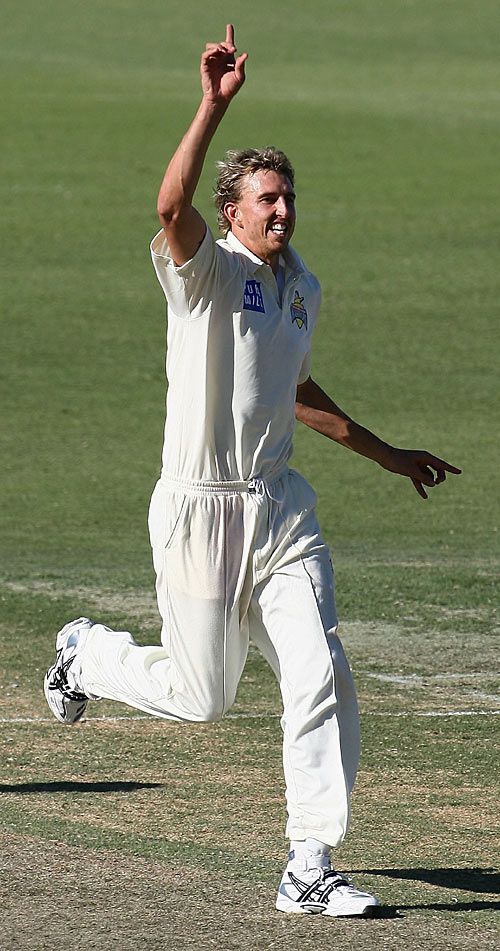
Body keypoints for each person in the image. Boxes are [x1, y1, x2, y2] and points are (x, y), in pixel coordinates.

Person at [44, 25, 461, 918]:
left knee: (319, 669)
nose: (282, 211)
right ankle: (85, 653)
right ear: (232, 212)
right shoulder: (206, 273)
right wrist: (212, 106)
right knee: (201, 698)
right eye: (266, 199)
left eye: (289, 198)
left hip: (279, 511)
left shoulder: (302, 287)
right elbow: (167, 204)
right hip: (198, 512)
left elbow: (298, 393)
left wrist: (391, 456)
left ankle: (308, 861)